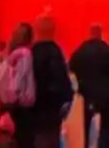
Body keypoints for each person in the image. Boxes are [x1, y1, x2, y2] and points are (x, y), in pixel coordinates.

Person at [22, 15, 73, 148]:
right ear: (53, 31)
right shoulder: (55, 52)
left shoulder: (29, 53)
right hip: (50, 114)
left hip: (29, 112)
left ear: (36, 31)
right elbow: (63, 85)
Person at [70, 23, 109, 148]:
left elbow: (72, 65)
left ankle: (85, 144)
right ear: (100, 34)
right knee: (105, 126)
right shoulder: (107, 50)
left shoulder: (82, 49)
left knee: (85, 125)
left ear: (90, 34)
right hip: (105, 94)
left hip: (86, 94)